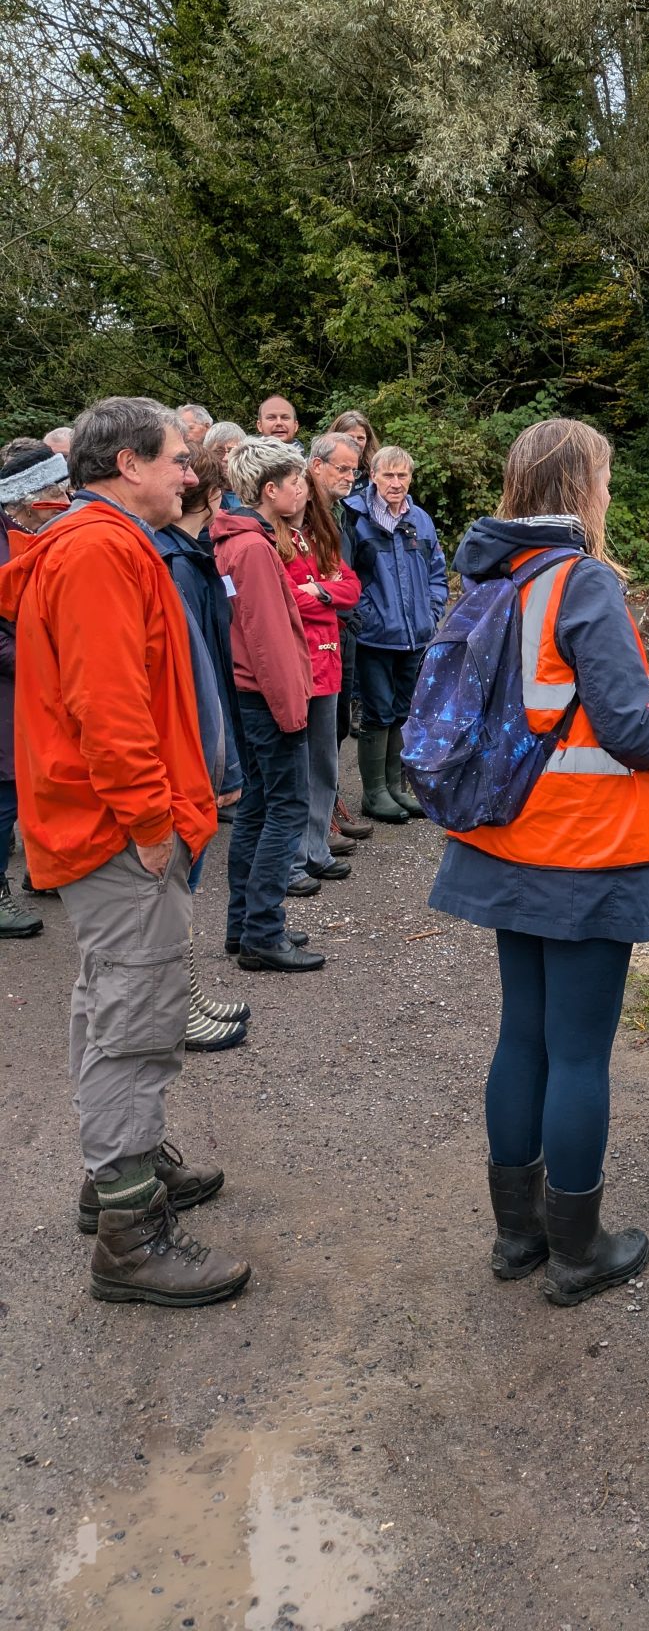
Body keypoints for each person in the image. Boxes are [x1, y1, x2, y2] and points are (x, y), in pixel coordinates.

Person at [426, 419, 649, 1304]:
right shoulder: (583, 581)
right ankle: (579, 1252)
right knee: (580, 1055)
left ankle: (518, 1238)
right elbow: (626, 729)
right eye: (608, 478)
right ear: (582, 486)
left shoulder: (491, 572)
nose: (613, 494)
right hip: (585, 845)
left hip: (505, 836)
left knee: (523, 1036)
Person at [0, 397, 252, 1306]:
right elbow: (108, 709)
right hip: (114, 829)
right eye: (181, 460)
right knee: (136, 1023)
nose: (194, 474)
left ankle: (117, 1174)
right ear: (128, 466)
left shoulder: (86, 542)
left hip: (95, 821)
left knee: (108, 1000)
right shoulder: (101, 551)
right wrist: (152, 824)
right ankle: (129, 1238)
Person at [211, 440, 323, 972]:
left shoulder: (238, 540)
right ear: (268, 489)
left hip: (252, 694)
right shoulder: (253, 548)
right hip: (268, 696)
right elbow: (269, 638)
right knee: (286, 809)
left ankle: (245, 926)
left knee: (257, 806)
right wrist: (293, 710)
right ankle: (262, 930)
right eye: (293, 480)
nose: (302, 489)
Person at [154, 447, 253, 1050]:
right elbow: (191, 669)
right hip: (186, 739)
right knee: (176, 881)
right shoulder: (178, 563)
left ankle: (186, 995)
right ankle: (177, 1005)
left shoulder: (188, 556)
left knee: (183, 882)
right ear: (216, 500)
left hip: (200, 731)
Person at [344, 446, 447, 824]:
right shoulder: (356, 519)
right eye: (388, 475)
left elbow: (438, 570)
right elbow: (344, 575)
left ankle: (396, 788)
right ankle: (374, 794)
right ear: (372, 475)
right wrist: (364, 618)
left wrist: (433, 610)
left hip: (415, 635)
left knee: (404, 711)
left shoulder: (419, 519)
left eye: (403, 476)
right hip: (375, 636)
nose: (396, 483)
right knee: (378, 711)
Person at [0, 440, 73, 939]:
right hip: (10, 683)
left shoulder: (23, 532)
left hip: (22, 682)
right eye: (59, 492)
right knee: (5, 794)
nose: (66, 501)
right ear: (31, 498)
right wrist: (38, 658)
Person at [282, 463, 361, 887]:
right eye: (294, 484)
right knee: (296, 767)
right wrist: (321, 594)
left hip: (327, 664)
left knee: (325, 765)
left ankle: (315, 848)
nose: (301, 492)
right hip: (296, 666)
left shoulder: (317, 538)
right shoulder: (269, 541)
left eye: (302, 485)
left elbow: (351, 589)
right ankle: (292, 857)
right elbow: (285, 600)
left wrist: (322, 592)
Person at [306, 433, 370, 845]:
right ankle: (316, 823)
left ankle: (328, 807)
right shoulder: (303, 511)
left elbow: (348, 581)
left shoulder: (341, 512)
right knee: (318, 734)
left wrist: (334, 590)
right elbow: (307, 584)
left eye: (354, 469)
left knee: (338, 725)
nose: (350, 476)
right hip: (316, 634)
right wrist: (332, 590)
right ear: (316, 465)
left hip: (342, 628)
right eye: (342, 468)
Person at [328, 408, 379, 479]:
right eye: (349, 437)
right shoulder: (323, 469)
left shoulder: (377, 472)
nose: (355, 443)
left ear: (367, 441)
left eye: (360, 438)